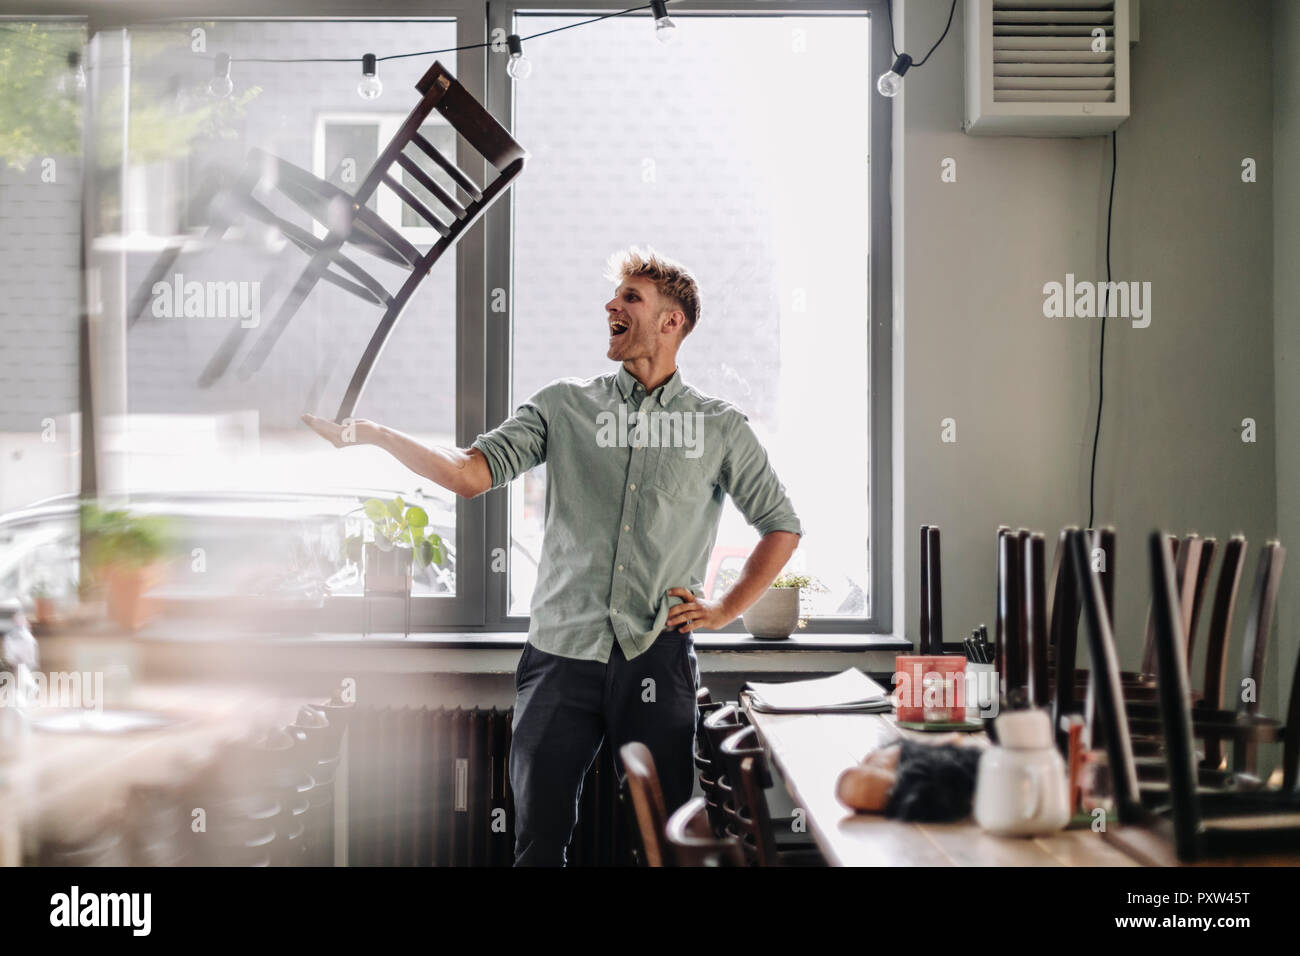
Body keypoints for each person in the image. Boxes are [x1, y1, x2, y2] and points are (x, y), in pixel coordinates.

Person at [304, 246, 803, 866]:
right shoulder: (564, 406)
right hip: (560, 655)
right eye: (614, 296)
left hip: (657, 655)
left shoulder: (719, 427)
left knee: (667, 841)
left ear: (673, 322)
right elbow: (467, 474)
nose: (611, 306)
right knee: (537, 839)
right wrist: (375, 434)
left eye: (631, 298)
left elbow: (781, 525)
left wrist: (724, 608)